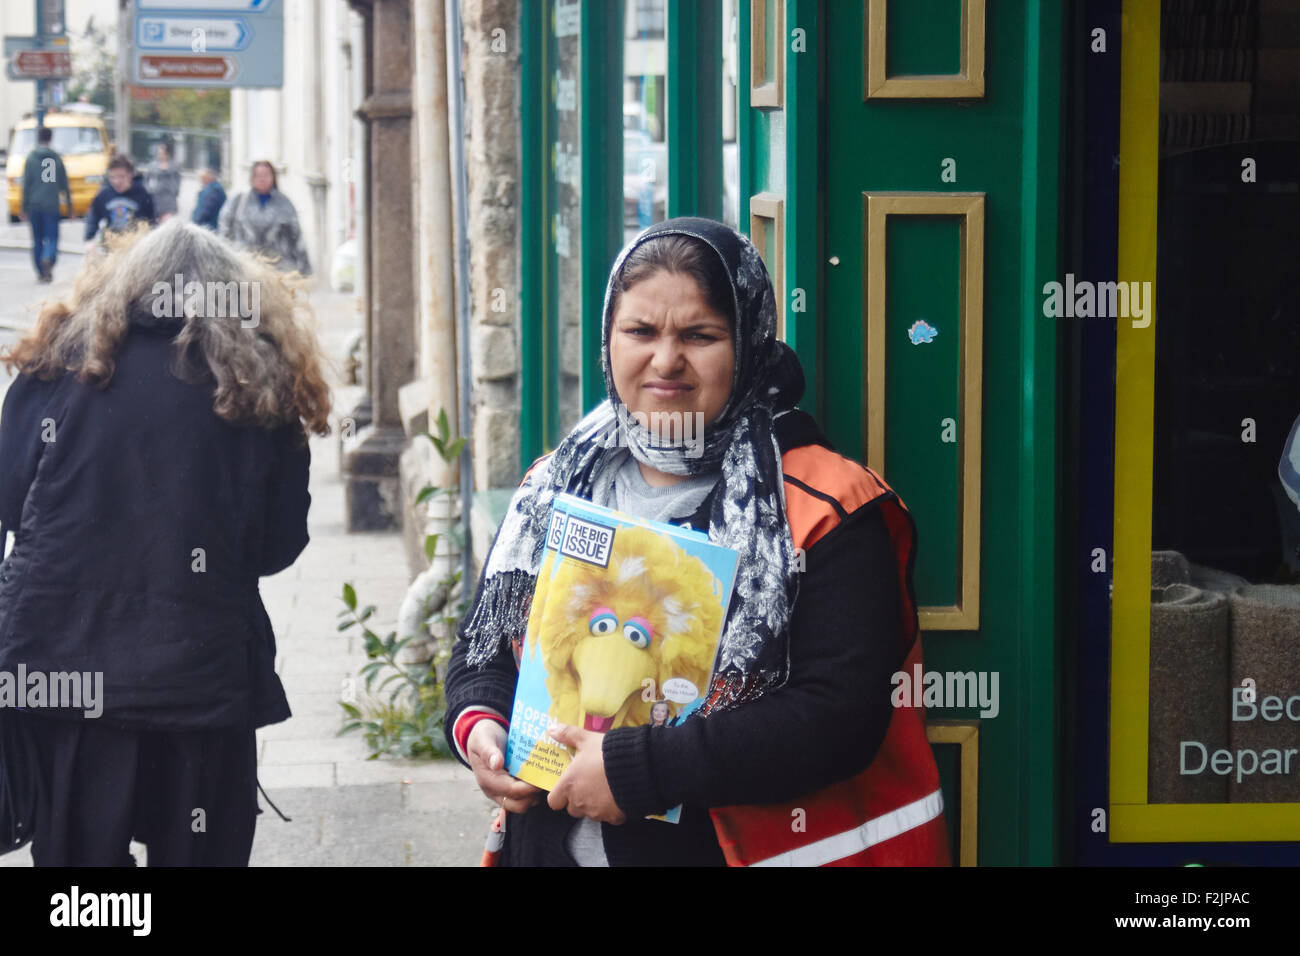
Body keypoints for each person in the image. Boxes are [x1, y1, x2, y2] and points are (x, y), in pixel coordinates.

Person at [445, 217, 950, 867]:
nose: (665, 360)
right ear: (608, 338)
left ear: (749, 345)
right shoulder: (557, 481)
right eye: (640, 332)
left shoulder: (827, 506)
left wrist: (640, 770)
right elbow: (483, 649)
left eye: (700, 336)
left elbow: (837, 719)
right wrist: (480, 726)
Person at [0, 218, 332, 866]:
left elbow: (10, 502)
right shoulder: (258, 388)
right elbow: (277, 546)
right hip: (199, 681)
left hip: (66, 675)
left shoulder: (57, 366)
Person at [219, 160, 311, 275]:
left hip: (278, 269)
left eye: (266, 175)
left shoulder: (284, 203)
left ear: (273, 178)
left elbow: (296, 236)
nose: (262, 179)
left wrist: (305, 268)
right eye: (258, 175)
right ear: (252, 177)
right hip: (245, 266)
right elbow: (224, 230)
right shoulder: (238, 201)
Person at [20, 126, 72, 284]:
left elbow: (26, 185)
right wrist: (69, 207)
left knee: (37, 239)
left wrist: (24, 207)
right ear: (50, 139)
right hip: (51, 204)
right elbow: (64, 185)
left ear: (38, 138)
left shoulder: (30, 159)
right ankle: (48, 257)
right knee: (52, 237)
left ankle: (41, 271)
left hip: (35, 204)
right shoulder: (56, 158)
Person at [84, 153, 155, 248]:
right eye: (113, 177)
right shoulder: (104, 194)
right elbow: (93, 216)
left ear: (130, 175)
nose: (117, 181)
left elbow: (152, 220)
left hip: (135, 246)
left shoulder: (142, 194)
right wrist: (89, 239)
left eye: (121, 176)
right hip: (112, 245)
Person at [144, 141, 181, 222]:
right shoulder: (152, 165)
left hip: (169, 197)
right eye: (159, 153)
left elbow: (178, 179)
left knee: (168, 221)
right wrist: (149, 190)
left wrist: (175, 190)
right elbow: (146, 179)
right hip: (156, 197)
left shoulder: (174, 165)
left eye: (163, 153)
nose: (161, 155)